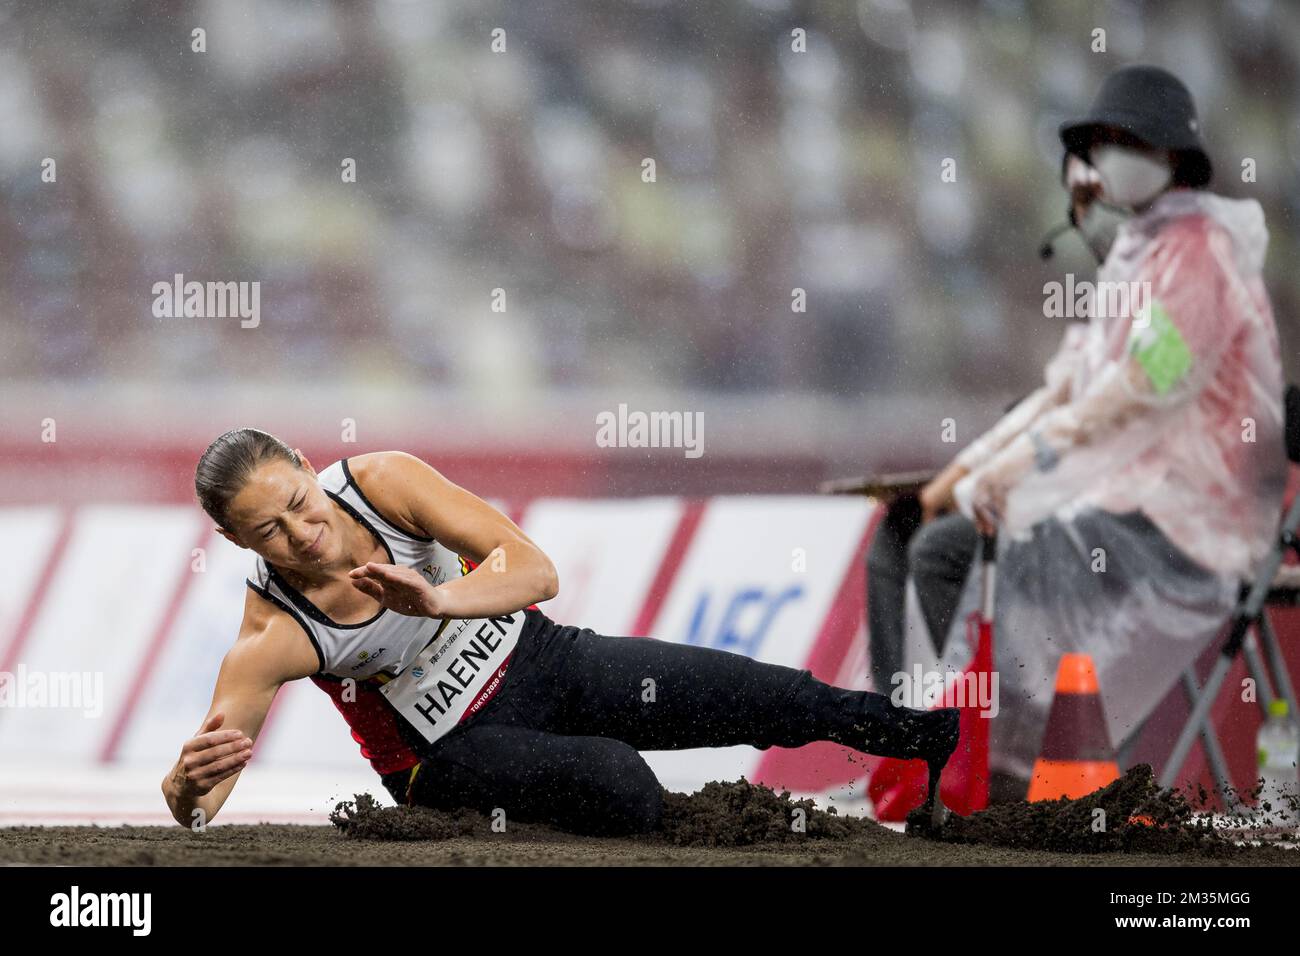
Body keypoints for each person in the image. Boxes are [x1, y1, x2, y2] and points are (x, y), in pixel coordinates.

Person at [162, 428, 959, 836]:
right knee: (620, 785)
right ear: (239, 544)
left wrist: (437, 603)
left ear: (309, 464)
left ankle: (934, 747)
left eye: (300, 502)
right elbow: (197, 808)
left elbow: (537, 574)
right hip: (446, 756)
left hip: (544, 658)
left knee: (767, 693)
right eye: (269, 531)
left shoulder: (385, 482)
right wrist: (187, 787)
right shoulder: (272, 633)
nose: (301, 535)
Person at [866, 64, 1288, 796]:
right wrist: (962, 474)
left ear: (1171, 157)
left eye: (1128, 142)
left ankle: (993, 759)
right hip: (1122, 501)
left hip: (1180, 524)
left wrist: (1011, 468)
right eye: (1104, 143)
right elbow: (1068, 388)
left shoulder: (1195, 256)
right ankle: (916, 745)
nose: (1106, 163)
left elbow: (1142, 390)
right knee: (906, 531)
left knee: (942, 553)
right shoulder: (1143, 261)